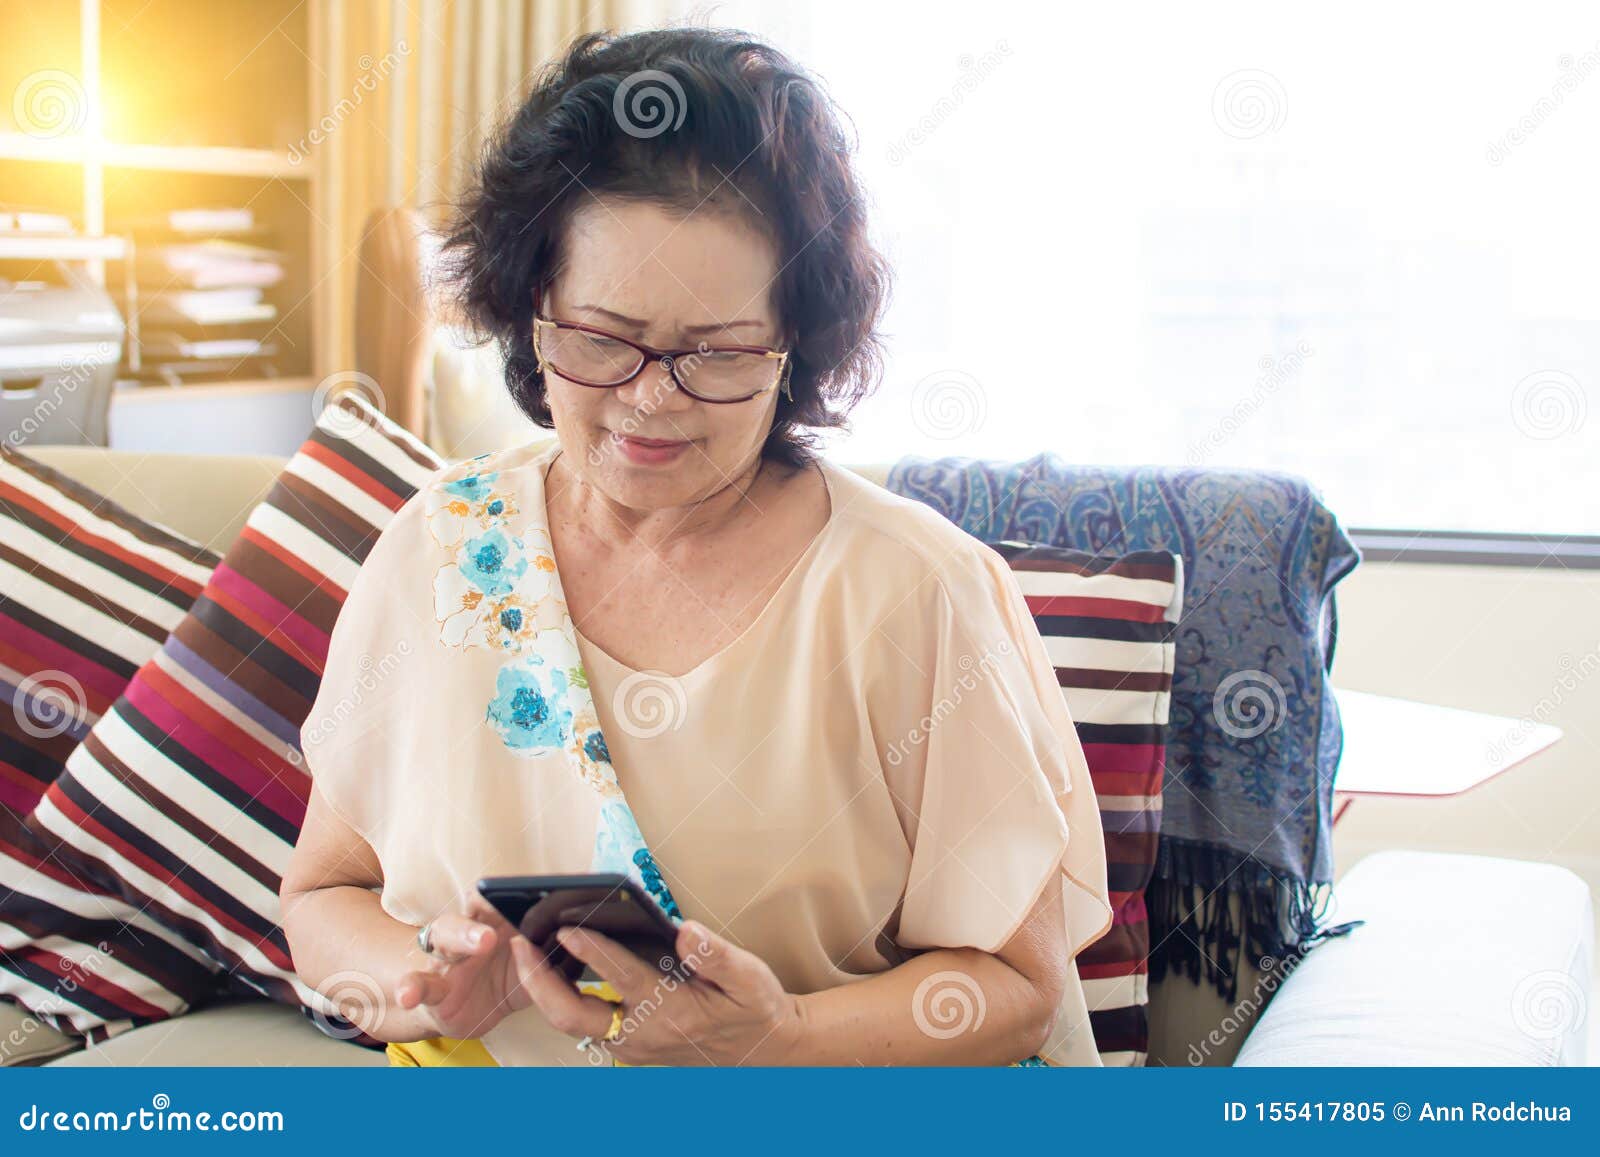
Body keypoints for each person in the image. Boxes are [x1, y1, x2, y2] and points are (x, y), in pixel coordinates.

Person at [280, 25, 1111, 1067]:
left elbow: (1019, 987)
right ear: (531, 310)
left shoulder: (915, 590)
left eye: (713, 354)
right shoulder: (440, 546)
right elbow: (324, 892)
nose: (648, 401)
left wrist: (781, 1037)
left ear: (796, 347)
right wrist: (421, 985)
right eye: (601, 338)